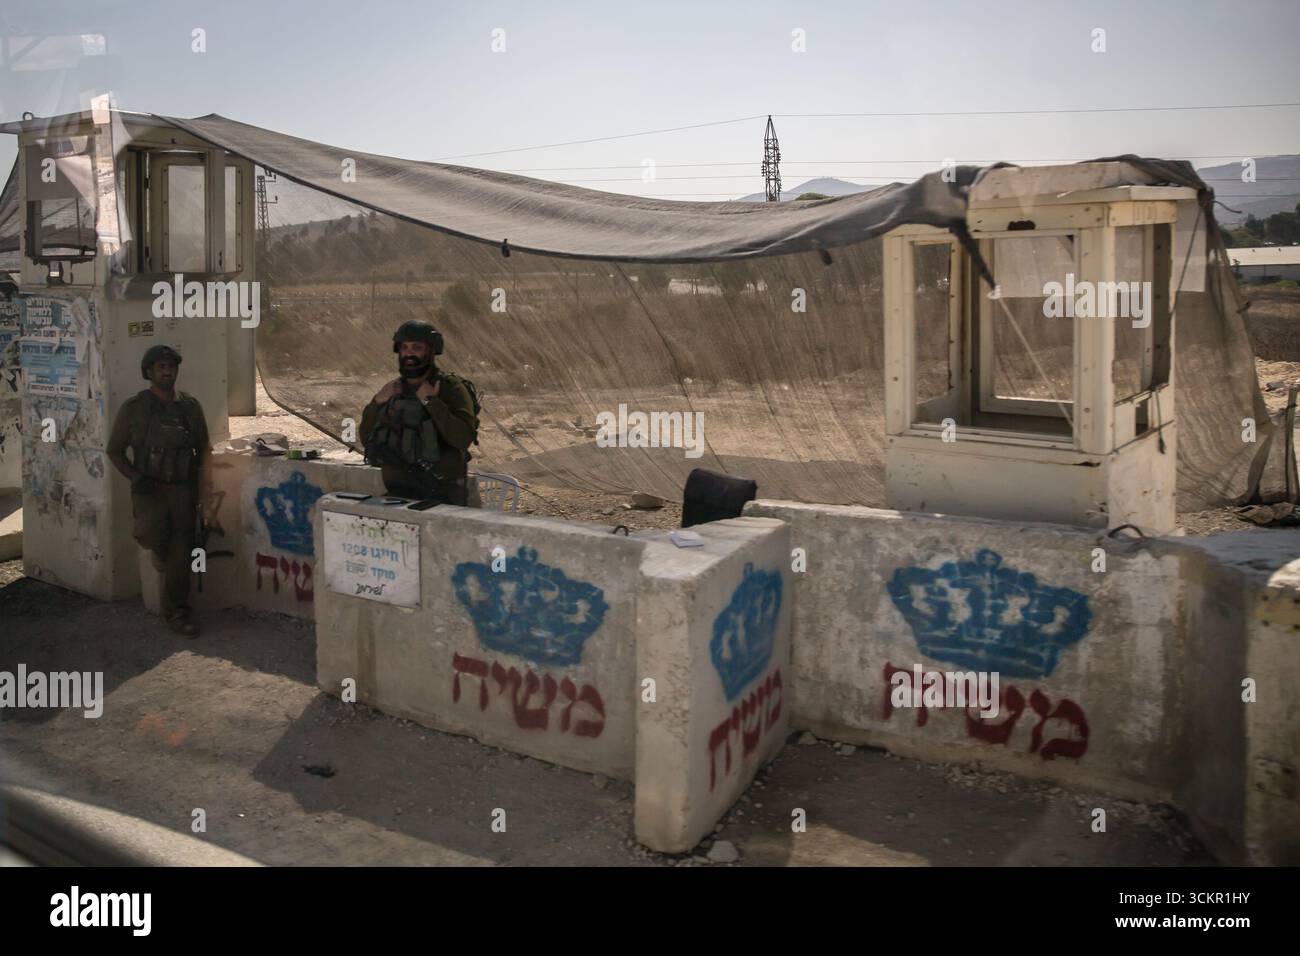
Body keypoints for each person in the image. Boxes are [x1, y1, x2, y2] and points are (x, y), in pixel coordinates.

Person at [107, 345, 212, 637]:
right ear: (149, 373)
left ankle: (177, 611)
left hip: (182, 490)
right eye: (160, 368)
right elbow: (114, 450)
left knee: (182, 549)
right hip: (148, 490)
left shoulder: (190, 407)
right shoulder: (134, 408)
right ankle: (166, 564)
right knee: (150, 535)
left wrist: (205, 490)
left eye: (171, 367)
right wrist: (135, 477)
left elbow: (204, 448)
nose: (167, 372)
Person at [360, 320, 478, 505]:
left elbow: (462, 438)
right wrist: (376, 402)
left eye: (417, 347)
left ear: (431, 351)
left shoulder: (449, 388)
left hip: (442, 498)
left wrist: (431, 402)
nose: (408, 353)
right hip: (397, 495)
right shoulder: (394, 390)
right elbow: (367, 439)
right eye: (404, 347)